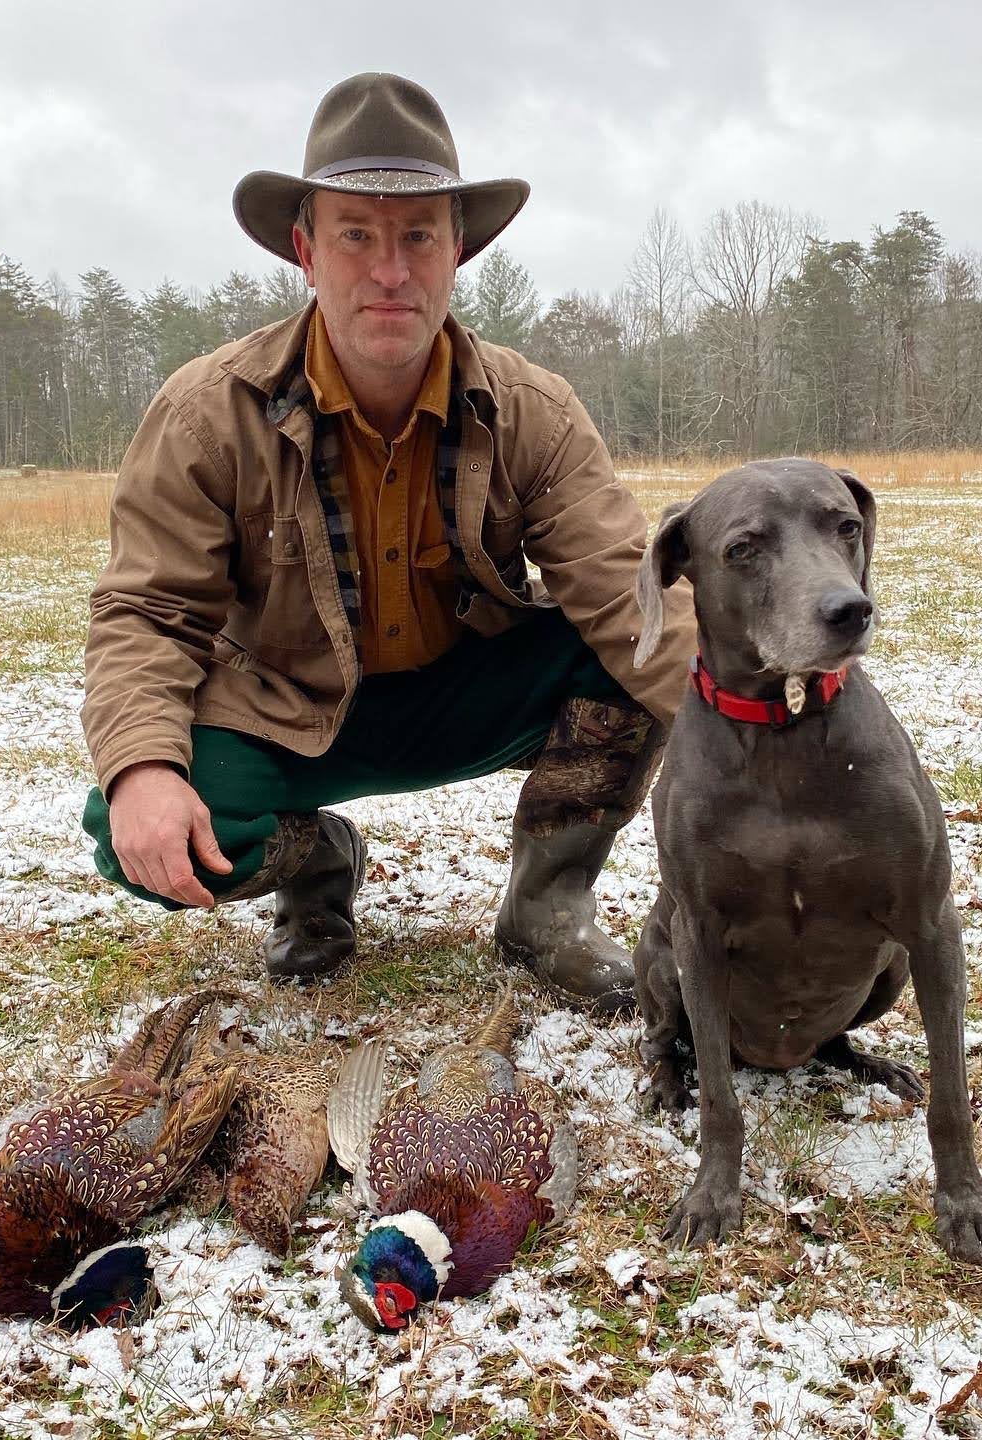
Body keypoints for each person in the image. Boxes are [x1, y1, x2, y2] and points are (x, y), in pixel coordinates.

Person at [80, 72, 694, 1013]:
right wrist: (145, 771)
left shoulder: (536, 410)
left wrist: (773, 737)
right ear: (305, 249)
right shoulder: (208, 414)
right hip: (289, 713)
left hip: (466, 693)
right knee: (132, 813)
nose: (391, 270)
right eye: (356, 234)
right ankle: (316, 863)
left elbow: (626, 595)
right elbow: (147, 612)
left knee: (638, 657)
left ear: (459, 250)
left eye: (418, 236)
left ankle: (545, 910)